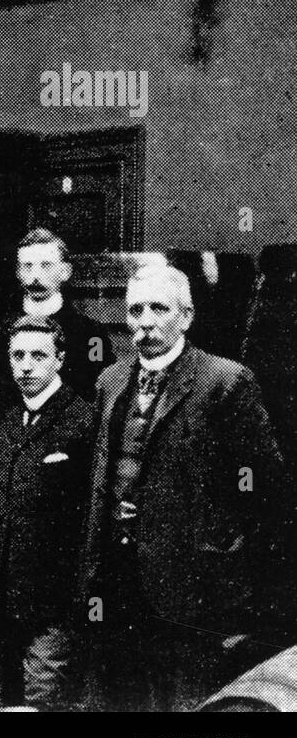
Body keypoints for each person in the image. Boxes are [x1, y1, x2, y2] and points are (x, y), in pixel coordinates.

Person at [79, 264, 285, 711]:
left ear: (186, 316)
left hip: (191, 578)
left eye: (159, 308)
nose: (146, 321)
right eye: (136, 310)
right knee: (120, 692)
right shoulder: (110, 382)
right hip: (118, 571)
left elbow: (262, 485)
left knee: (185, 700)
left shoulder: (225, 381)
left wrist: (221, 546)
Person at [0, 316, 92, 710]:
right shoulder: (6, 422)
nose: (26, 365)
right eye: (18, 355)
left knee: (43, 700)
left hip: (55, 598)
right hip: (4, 596)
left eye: (38, 355)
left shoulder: (83, 420)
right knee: (10, 700)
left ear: (59, 359)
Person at [0, 228, 111, 418]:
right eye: (27, 266)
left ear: (65, 272)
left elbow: (99, 391)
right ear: (18, 273)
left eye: (46, 266)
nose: (35, 276)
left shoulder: (92, 335)